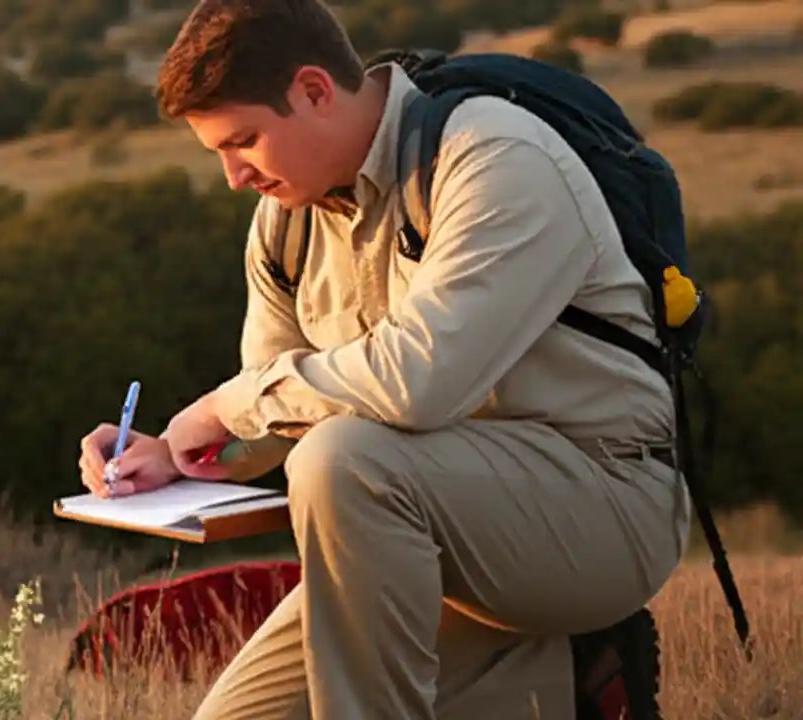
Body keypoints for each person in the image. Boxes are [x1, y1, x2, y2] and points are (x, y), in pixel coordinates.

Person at [77, 1, 692, 717]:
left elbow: (415, 383)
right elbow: (280, 411)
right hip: (420, 532)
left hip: (601, 506)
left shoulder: (494, 159)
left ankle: (567, 646)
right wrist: (177, 454)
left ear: (313, 90)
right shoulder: (286, 222)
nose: (232, 177)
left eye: (243, 141)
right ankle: (568, 677)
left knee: (343, 459)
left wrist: (222, 407)